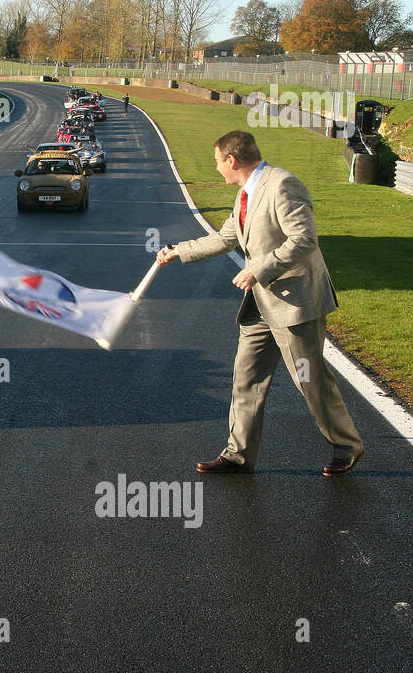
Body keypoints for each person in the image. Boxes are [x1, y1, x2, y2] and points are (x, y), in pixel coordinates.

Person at [155, 130, 365, 477]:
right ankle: (238, 454)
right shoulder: (245, 194)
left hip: (295, 302)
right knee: (246, 377)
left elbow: (304, 239)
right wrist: (179, 251)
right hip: (261, 307)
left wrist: (258, 268)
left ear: (231, 160)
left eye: (217, 161)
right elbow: (225, 238)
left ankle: (347, 446)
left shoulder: (282, 184)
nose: (217, 168)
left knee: (309, 380)